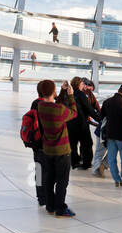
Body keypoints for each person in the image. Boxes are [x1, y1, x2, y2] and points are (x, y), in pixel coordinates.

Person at [34, 79, 77, 217]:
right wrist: (70, 95)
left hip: (48, 150)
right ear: (53, 91)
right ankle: (60, 209)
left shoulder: (40, 106)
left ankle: (50, 206)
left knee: (49, 179)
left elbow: (55, 105)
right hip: (62, 152)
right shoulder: (59, 110)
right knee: (62, 182)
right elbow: (73, 112)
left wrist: (63, 91)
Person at [66, 77, 93, 170]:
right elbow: (89, 108)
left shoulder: (69, 94)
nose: (83, 85)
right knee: (87, 143)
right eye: (82, 83)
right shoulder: (81, 94)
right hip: (81, 124)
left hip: (70, 124)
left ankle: (74, 162)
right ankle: (86, 163)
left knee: (73, 144)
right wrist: (99, 118)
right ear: (78, 84)